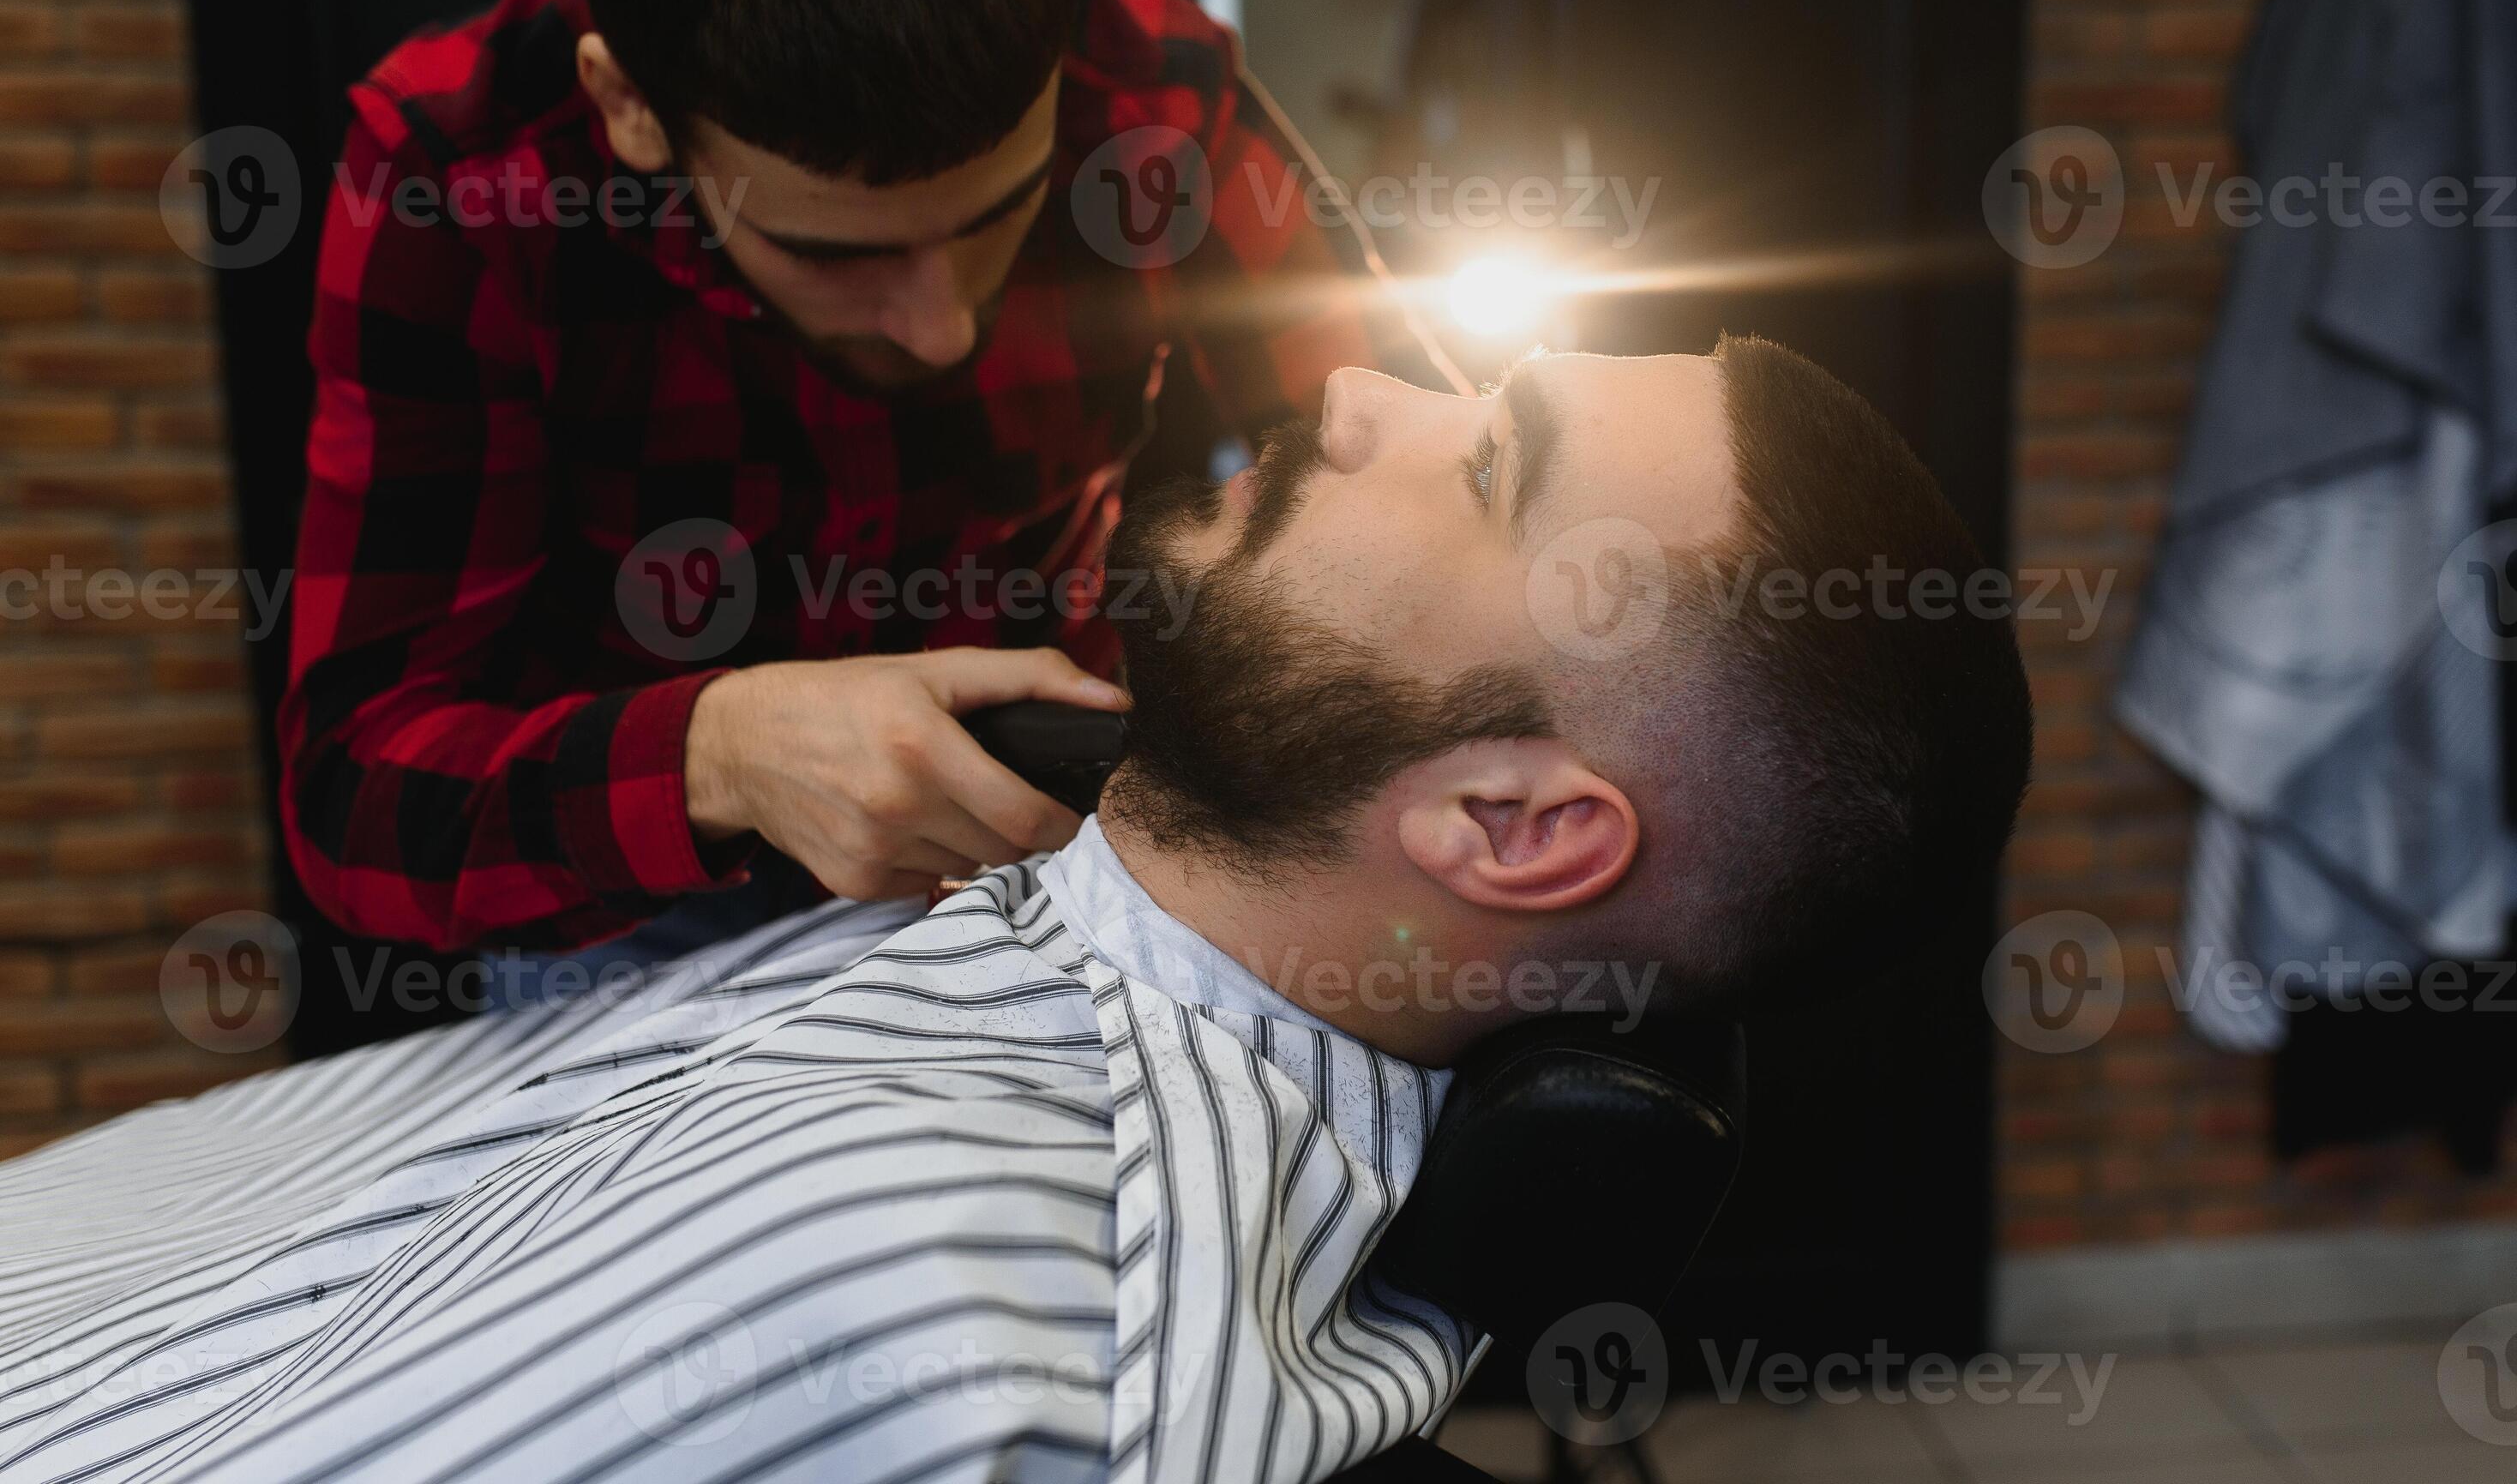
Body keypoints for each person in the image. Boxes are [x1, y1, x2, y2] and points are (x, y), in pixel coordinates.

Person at [0, 344, 2028, 1481]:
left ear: (1508, 828)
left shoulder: (994, 1336)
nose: (1346, 389)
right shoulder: (1045, 865)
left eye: (1482, 459)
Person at [281, 0, 1453, 970]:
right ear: (631, 105)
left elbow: (1418, 471)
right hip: (641, 893)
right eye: (841, 255)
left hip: (1052, 814)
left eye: (1004, 214)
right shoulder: (463, 178)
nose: (942, 330)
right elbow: (357, 806)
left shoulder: (1152, 89)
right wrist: (725, 752)